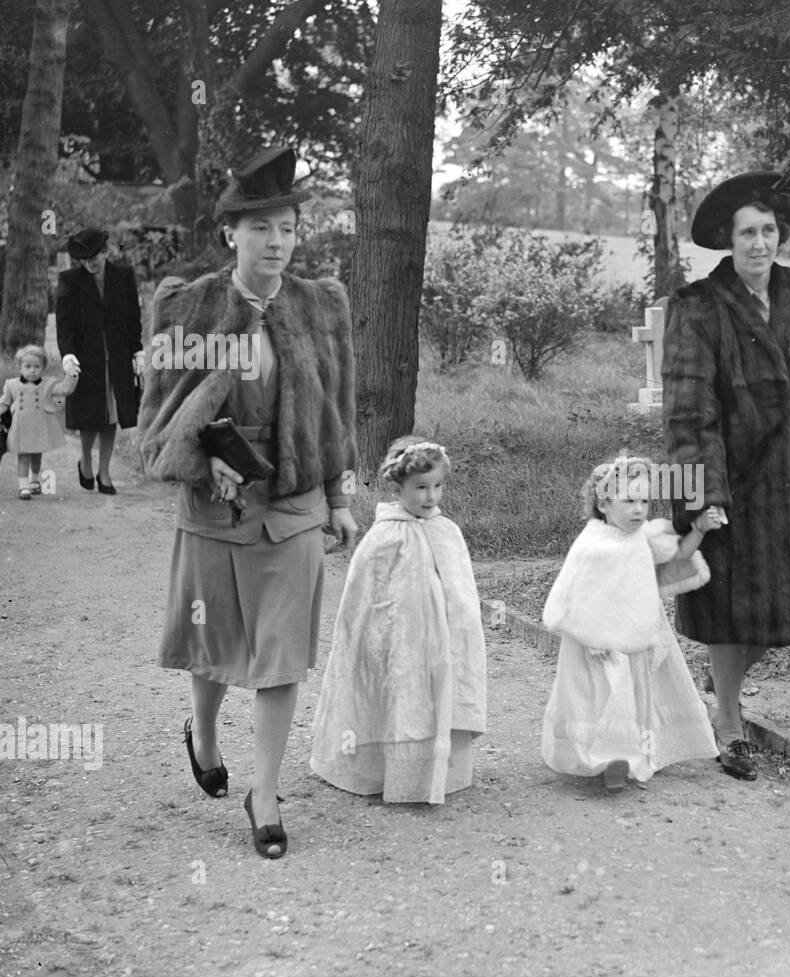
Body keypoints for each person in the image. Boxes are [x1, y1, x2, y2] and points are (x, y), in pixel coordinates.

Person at [139, 146, 358, 859]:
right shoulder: (190, 305)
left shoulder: (320, 307)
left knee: (282, 655)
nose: (276, 241)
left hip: (293, 505)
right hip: (215, 508)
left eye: (287, 228)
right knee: (213, 644)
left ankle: (265, 793)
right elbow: (158, 419)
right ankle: (201, 732)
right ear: (232, 232)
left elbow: (336, 412)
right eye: (260, 227)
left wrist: (340, 494)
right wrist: (206, 467)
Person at [662, 170, 790, 782]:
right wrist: (698, 498)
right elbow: (688, 409)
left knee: (784, 609)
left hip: (786, 478)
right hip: (727, 481)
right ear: (728, 239)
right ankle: (730, 725)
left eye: (768, 231)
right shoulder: (696, 306)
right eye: (747, 233)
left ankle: (725, 688)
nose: (759, 243)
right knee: (726, 606)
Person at [311, 436, 487, 803]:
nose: (431, 497)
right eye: (420, 488)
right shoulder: (385, 535)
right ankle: (387, 773)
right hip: (400, 645)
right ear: (398, 486)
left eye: (437, 487)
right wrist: (379, 639)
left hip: (441, 643)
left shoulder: (446, 531)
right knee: (402, 699)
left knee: (437, 695)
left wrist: (461, 630)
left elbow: (462, 593)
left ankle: (440, 772)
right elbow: (364, 602)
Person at [541, 455, 721, 791]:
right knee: (604, 698)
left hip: (638, 630)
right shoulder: (593, 545)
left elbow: (679, 555)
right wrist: (592, 634)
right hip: (597, 640)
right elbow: (577, 593)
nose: (639, 510)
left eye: (644, 501)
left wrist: (698, 529)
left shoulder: (644, 537)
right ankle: (609, 760)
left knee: (638, 695)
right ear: (604, 503)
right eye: (629, 501)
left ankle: (640, 754)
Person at [56, 227, 145, 495]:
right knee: (90, 415)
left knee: (112, 415)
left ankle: (104, 472)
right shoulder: (69, 279)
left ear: (105, 252)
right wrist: (68, 354)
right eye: (83, 260)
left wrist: (137, 351)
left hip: (116, 356)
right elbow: (64, 323)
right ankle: (85, 459)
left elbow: (133, 316)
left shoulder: (124, 275)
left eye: (93, 258)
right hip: (87, 358)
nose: (88, 264)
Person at [0, 345, 81, 499]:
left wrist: (71, 375)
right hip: (20, 427)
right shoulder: (11, 385)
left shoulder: (48, 384)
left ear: (43, 368)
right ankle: (23, 486)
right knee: (23, 457)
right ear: (20, 368)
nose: (32, 370)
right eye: (28, 366)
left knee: (36, 455)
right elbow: (4, 403)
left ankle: (34, 480)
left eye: (37, 366)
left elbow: (64, 389)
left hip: (39, 427)